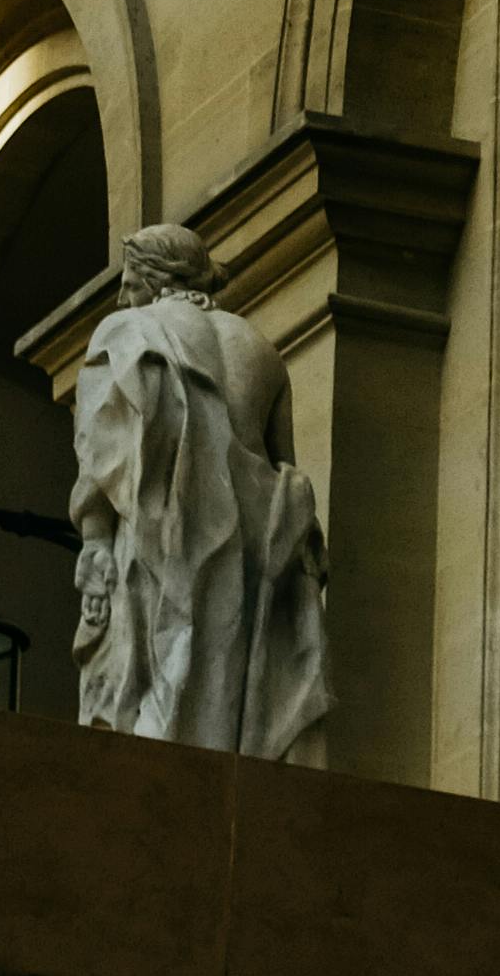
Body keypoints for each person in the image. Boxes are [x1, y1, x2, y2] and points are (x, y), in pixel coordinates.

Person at [66, 220, 327, 757]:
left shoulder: (127, 333)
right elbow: (286, 465)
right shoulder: (260, 348)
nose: (122, 295)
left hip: (167, 529)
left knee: (154, 701)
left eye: (130, 278)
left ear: (157, 278)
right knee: (231, 711)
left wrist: (94, 543)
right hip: (259, 539)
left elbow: (101, 455)